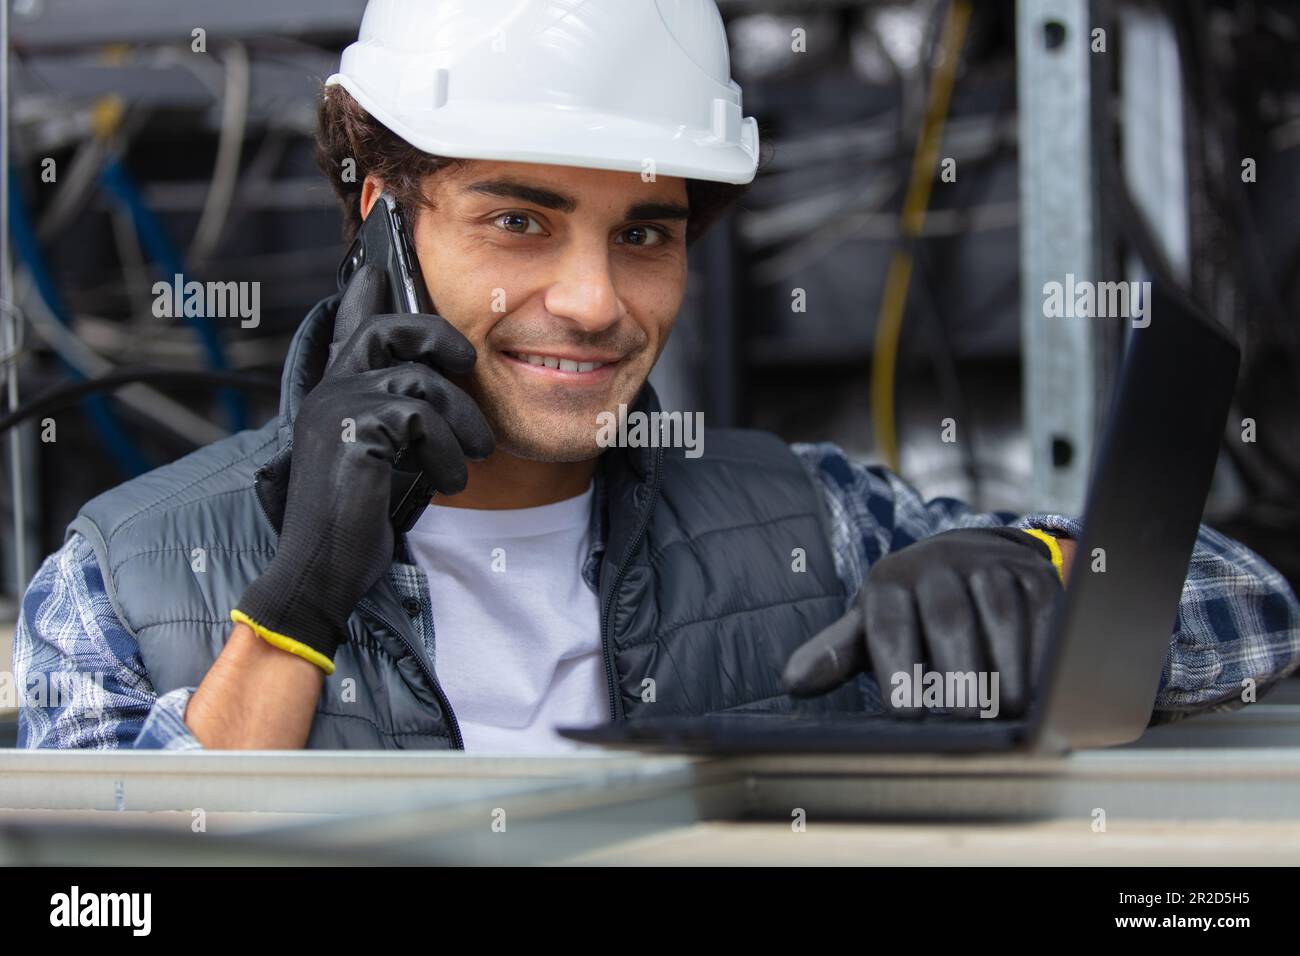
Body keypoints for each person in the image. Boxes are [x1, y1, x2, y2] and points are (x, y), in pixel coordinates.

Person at [14, 0, 1300, 751]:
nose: (593, 300)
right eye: (518, 220)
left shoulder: (802, 515)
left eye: (645, 233)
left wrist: (1045, 570)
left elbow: (1255, 605)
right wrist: (292, 603)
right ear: (376, 212)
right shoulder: (119, 577)